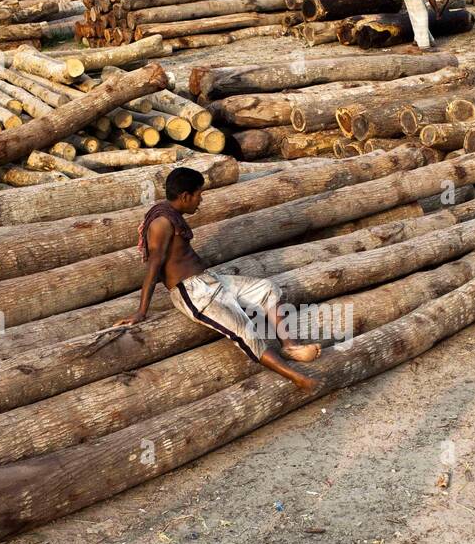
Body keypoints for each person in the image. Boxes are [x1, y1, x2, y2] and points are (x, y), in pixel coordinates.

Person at [115, 167, 321, 391]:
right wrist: (141, 312)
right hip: (192, 293)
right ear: (185, 196)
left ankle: (289, 346)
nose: (200, 200)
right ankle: (298, 379)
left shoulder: (171, 214)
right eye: (198, 194)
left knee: (267, 289)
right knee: (245, 331)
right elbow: (154, 265)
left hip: (209, 281)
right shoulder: (161, 223)